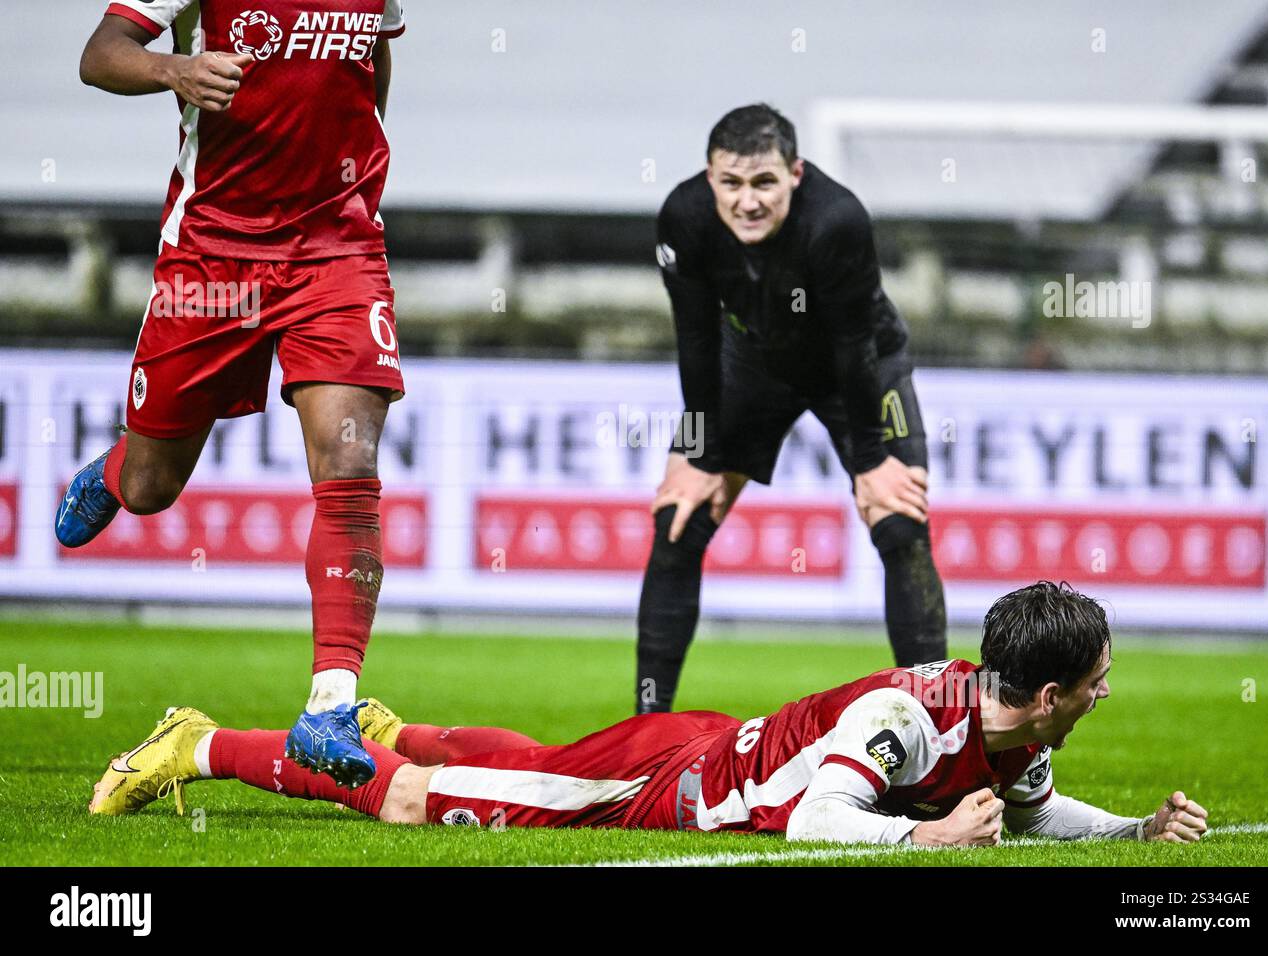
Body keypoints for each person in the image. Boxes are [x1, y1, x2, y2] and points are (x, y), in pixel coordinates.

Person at [90, 583, 1208, 846]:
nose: (1107, 690)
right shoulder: (914, 719)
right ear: (1052, 695)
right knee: (424, 806)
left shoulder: (1012, 725)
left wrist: (1132, 835)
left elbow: (1034, 811)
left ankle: (387, 726)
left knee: (534, 761)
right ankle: (207, 743)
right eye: (1099, 678)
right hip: (670, 784)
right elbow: (823, 818)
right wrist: (921, 835)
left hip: (701, 751)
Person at [60, 0, 408, 787]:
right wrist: (174, 70)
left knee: (350, 467)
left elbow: (375, 61)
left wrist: (355, 177)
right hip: (214, 250)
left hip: (336, 249)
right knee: (154, 487)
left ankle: (330, 704)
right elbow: (100, 52)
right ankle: (117, 471)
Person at [637, 103, 945, 715]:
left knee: (900, 524)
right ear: (709, 178)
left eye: (763, 183)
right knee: (679, 517)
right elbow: (695, 339)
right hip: (755, 366)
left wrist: (871, 461)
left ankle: (932, 730)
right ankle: (647, 732)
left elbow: (854, 348)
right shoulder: (684, 215)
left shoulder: (837, 221)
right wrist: (699, 453)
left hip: (860, 368)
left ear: (795, 173)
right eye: (731, 183)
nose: (746, 201)